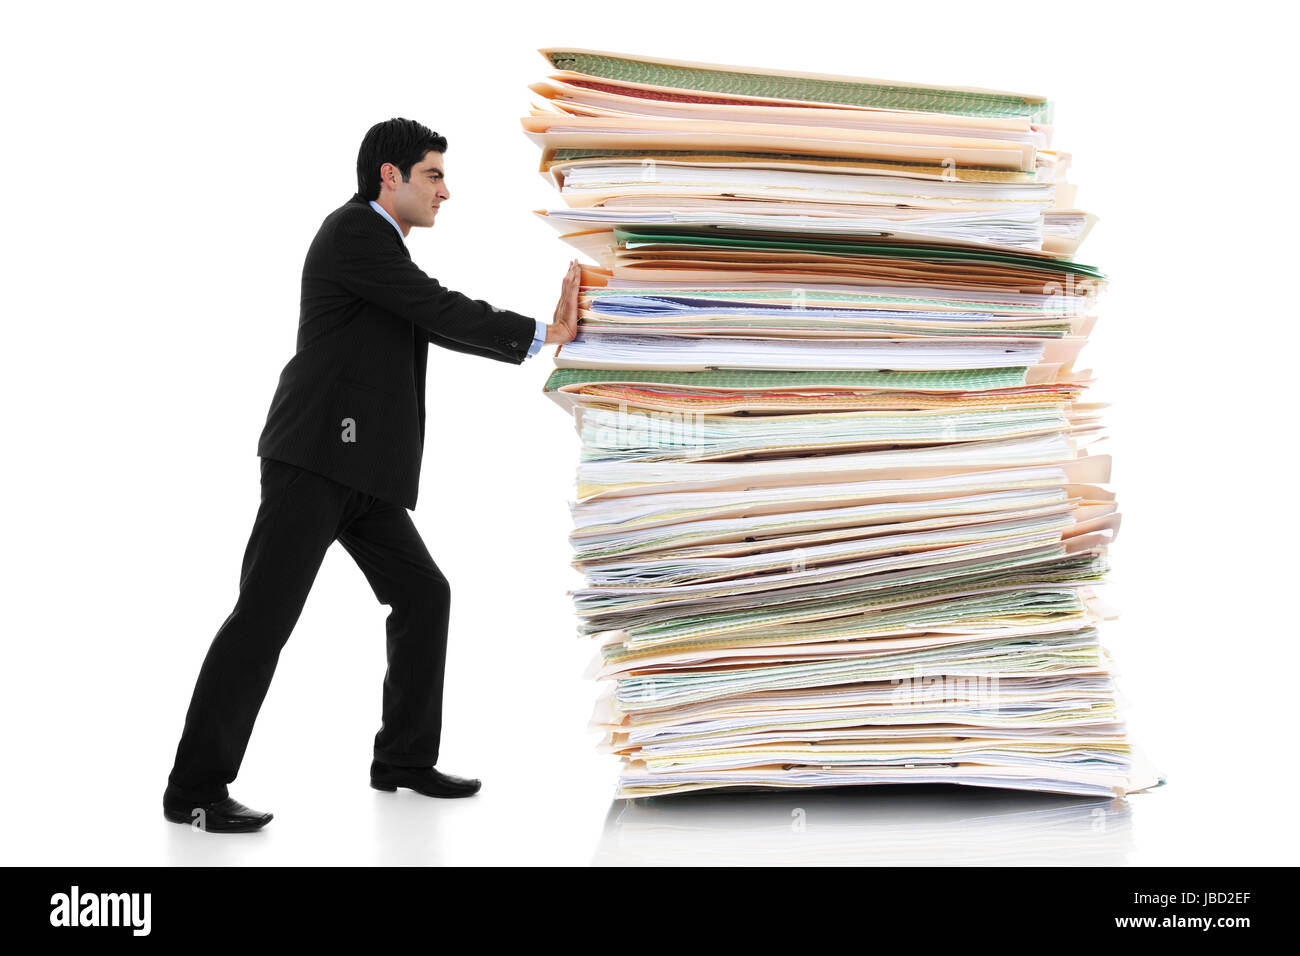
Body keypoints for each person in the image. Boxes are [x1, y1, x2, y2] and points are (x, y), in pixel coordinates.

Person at [162, 117, 580, 833]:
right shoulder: (354, 231)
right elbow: (436, 307)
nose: (446, 191)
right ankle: (195, 788)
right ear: (390, 175)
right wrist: (544, 333)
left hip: (359, 474)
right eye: (434, 175)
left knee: (424, 595)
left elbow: (433, 320)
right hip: (313, 462)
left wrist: (539, 338)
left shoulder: (383, 248)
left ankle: (403, 760)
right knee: (264, 618)